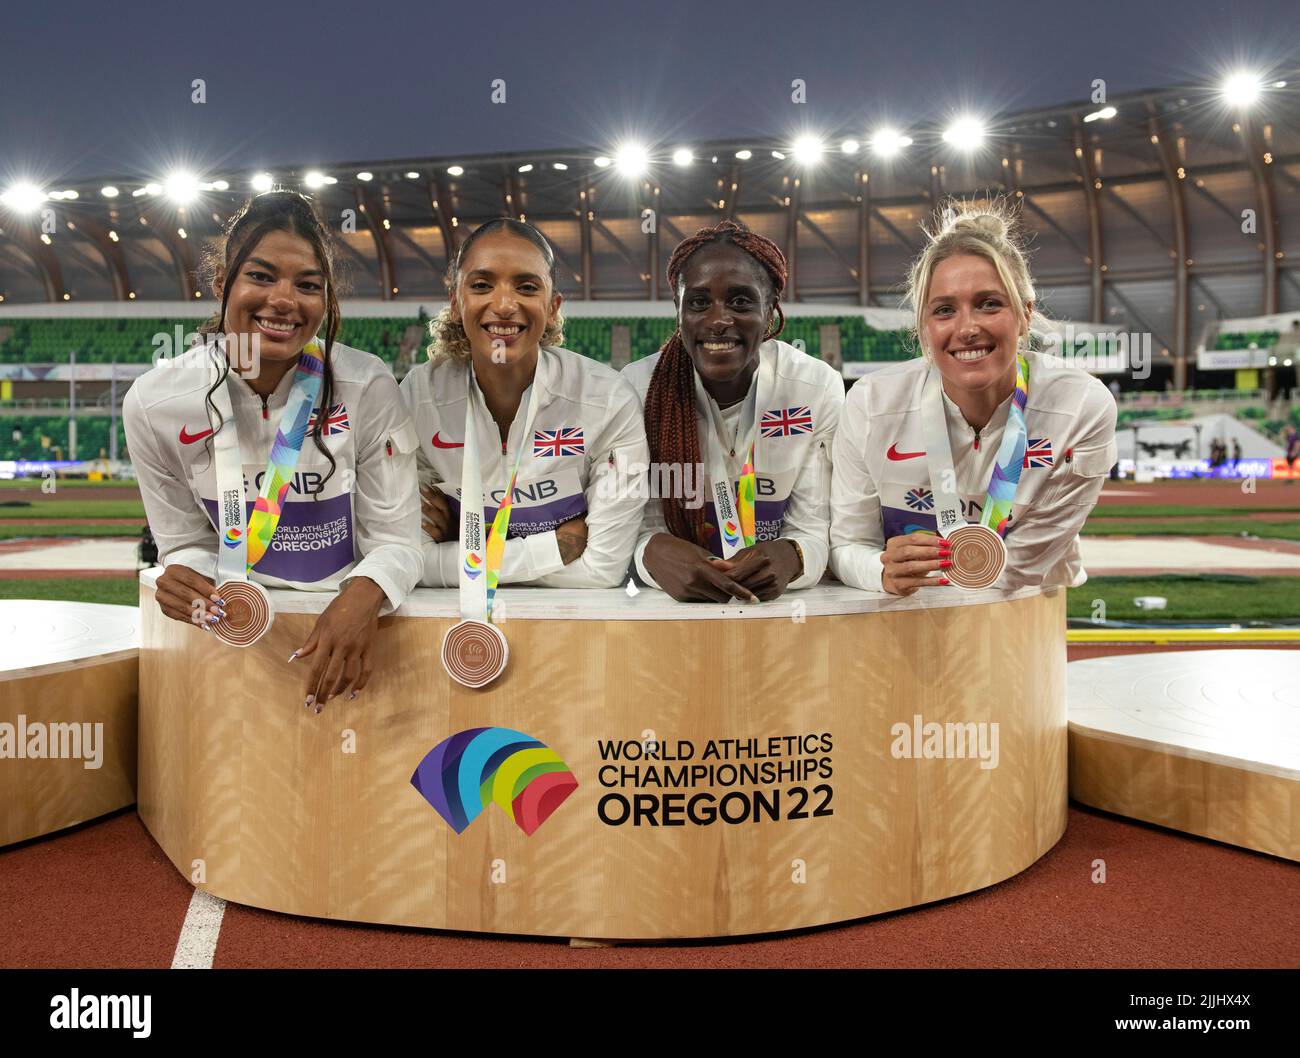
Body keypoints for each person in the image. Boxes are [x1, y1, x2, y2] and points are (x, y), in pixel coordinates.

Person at [123, 190, 423, 712]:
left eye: (308, 285)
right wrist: (187, 578)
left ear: (326, 301)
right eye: (261, 276)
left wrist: (364, 593)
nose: (284, 300)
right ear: (222, 284)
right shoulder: (154, 403)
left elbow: (398, 540)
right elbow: (187, 542)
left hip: (358, 629)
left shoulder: (367, 383)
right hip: (238, 636)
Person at [830, 200, 1117, 596]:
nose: (967, 328)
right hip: (901, 617)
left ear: (1025, 314)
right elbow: (846, 545)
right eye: (944, 310)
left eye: (989, 304)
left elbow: (1025, 566)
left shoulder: (1081, 406)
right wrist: (878, 570)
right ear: (924, 327)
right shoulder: (872, 403)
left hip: (1021, 614)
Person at [401, 218, 648, 587]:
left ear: (552, 307)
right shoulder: (420, 396)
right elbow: (407, 560)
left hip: (573, 624)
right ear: (456, 302)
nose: (503, 305)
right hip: (455, 620)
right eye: (482, 285)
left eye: (527, 287)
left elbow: (603, 569)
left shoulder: (607, 399)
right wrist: (553, 549)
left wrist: (462, 551)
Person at [623, 220, 843, 603]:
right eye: (698, 302)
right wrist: (649, 553)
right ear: (678, 309)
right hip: (670, 613)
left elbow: (815, 527)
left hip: (780, 610)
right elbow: (630, 528)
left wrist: (795, 556)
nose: (719, 320)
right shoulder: (636, 390)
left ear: (771, 308)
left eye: (740, 300)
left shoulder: (815, 387)